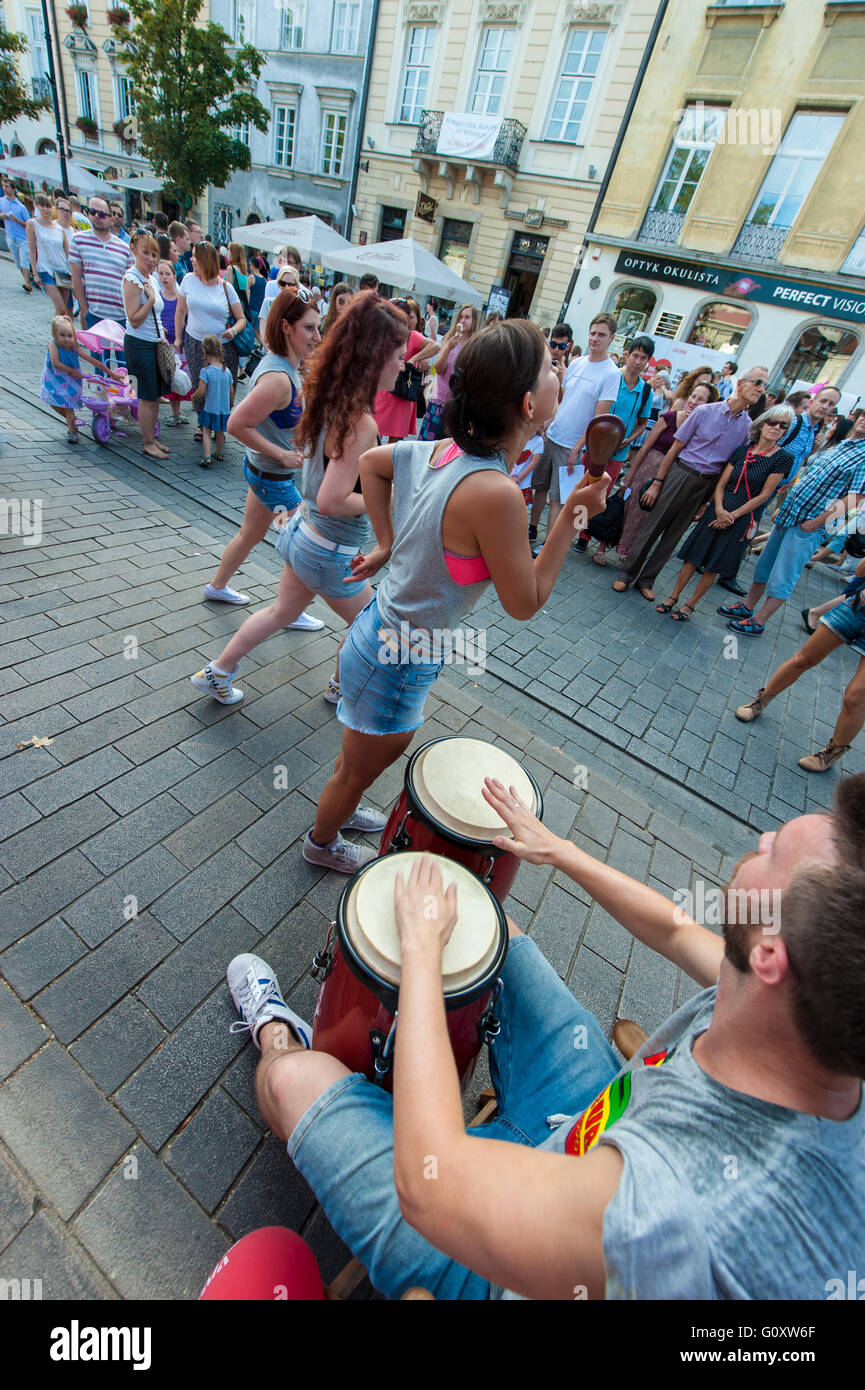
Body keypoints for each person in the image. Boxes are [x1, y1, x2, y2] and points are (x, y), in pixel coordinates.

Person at [226, 764, 865, 1301]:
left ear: (771, 959)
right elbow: (674, 929)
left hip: (507, 1260)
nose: (763, 836)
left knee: (292, 1080)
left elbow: (433, 1184)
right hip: (592, 1121)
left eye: (775, 853)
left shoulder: (685, 1213)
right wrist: (557, 848)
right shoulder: (807, 1010)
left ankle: (278, 1033)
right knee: (499, 941)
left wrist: (422, 950)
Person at [301, 319, 609, 873]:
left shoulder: (449, 450)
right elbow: (525, 602)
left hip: (377, 634)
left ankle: (344, 805)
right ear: (527, 404)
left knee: (355, 763)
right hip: (397, 659)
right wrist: (571, 515)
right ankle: (320, 842)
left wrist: (388, 545)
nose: (559, 374)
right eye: (549, 368)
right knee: (352, 773)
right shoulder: (496, 492)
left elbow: (373, 467)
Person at [191, 295, 411, 718]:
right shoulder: (360, 421)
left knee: (281, 612)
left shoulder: (329, 395)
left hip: (304, 536)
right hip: (329, 550)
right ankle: (338, 687)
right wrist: (381, 498)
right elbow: (332, 498)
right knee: (371, 623)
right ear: (374, 358)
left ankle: (217, 671)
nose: (403, 365)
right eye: (398, 356)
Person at [198, 283, 322, 632]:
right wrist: (282, 453)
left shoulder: (284, 366)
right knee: (300, 545)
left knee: (251, 535)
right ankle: (290, 611)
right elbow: (236, 423)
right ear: (287, 327)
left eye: (317, 327)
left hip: (263, 474)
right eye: (309, 328)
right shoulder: (279, 377)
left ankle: (217, 587)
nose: (317, 336)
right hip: (274, 481)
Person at [612, 366, 768, 603]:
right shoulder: (705, 411)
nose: (761, 389)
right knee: (652, 525)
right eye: (757, 382)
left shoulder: (747, 427)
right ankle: (627, 573)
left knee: (674, 535)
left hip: (706, 483)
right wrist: (657, 483)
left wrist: (707, 501)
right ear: (740, 384)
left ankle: (647, 580)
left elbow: (728, 467)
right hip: (680, 472)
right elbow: (675, 449)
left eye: (764, 385)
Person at [723, 410, 865, 636]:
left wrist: (818, 522)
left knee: (783, 575)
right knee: (764, 566)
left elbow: (855, 498)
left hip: (810, 524)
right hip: (792, 515)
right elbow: (809, 476)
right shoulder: (843, 445)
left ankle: (759, 621)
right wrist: (785, 504)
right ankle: (747, 607)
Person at [654, 406, 793, 622]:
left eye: (783, 425)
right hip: (719, 508)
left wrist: (732, 516)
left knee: (714, 564)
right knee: (693, 556)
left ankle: (690, 604)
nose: (777, 427)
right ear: (762, 423)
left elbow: (765, 495)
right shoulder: (742, 451)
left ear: (786, 431)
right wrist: (718, 509)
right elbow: (721, 483)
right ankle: (673, 596)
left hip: (742, 516)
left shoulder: (783, 458)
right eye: (773, 422)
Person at [735, 579, 865, 773]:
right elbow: (860, 570)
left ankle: (833, 751)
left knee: (855, 697)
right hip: (859, 607)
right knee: (803, 659)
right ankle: (760, 701)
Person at [528, 313, 620, 545]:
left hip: (571, 445)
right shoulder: (577, 363)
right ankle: (531, 530)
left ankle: (548, 546)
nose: (595, 339)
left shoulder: (611, 373)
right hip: (552, 435)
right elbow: (564, 402)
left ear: (612, 338)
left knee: (559, 499)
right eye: (592, 333)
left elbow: (598, 421)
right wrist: (546, 424)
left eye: (601, 334)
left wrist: (577, 449)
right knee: (539, 487)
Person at [615, 381, 717, 562]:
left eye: (700, 399)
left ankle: (634, 550)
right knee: (632, 508)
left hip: (673, 476)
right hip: (649, 467)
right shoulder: (669, 418)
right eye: (693, 396)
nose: (693, 401)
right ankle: (620, 545)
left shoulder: (703, 430)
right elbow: (645, 447)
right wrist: (629, 476)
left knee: (651, 515)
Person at [584, 336, 654, 564]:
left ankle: (586, 535)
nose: (637, 361)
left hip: (618, 451)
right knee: (582, 488)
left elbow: (643, 423)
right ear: (627, 354)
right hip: (594, 444)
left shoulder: (645, 390)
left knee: (600, 494)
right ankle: (576, 529)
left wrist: (629, 439)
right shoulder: (612, 377)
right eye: (635, 355)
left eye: (643, 358)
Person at [174, 240, 245, 410]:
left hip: (223, 348)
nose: (191, 260)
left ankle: (219, 425)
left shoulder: (226, 287)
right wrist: (178, 338)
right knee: (201, 386)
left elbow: (241, 319)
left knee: (223, 389)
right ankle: (203, 424)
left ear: (204, 260)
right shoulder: (188, 280)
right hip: (196, 344)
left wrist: (233, 331)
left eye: (194, 257)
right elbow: (180, 311)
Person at [122, 229, 171, 460]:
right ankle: (147, 441)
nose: (151, 259)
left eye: (154, 254)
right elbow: (133, 318)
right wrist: (150, 299)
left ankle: (152, 437)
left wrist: (163, 333)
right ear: (134, 251)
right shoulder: (132, 278)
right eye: (146, 253)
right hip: (139, 344)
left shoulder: (150, 278)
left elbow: (156, 315)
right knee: (147, 396)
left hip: (154, 342)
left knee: (156, 396)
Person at [69, 196, 133, 366]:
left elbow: (131, 282)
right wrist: (84, 308)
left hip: (120, 314)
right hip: (95, 312)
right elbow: (75, 276)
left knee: (123, 364)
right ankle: (102, 393)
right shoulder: (79, 240)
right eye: (92, 212)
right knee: (99, 364)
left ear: (111, 218)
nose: (97, 216)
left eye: (102, 214)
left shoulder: (124, 248)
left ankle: (121, 393)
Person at [40, 313, 122, 443]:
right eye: (62, 335)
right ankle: (72, 421)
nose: (67, 339)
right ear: (55, 334)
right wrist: (72, 370)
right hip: (54, 379)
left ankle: (72, 431)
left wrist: (111, 373)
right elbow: (55, 363)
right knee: (52, 402)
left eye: (70, 336)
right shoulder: (53, 345)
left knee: (68, 407)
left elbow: (92, 360)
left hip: (71, 381)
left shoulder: (74, 347)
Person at [374, 299, 439, 443]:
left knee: (393, 445)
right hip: (385, 391)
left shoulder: (413, 336)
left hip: (404, 392)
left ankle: (385, 466)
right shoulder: (385, 334)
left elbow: (435, 346)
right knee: (373, 435)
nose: (405, 320)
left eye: (409, 316)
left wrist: (414, 359)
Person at [417, 304, 480, 442]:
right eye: (461, 317)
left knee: (446, 447)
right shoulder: (449, 339)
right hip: (439, 399)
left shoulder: (476, 346)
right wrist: (448, 348)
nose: (463, 320)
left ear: (474, 321)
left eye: (467, 317)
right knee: (428, 444)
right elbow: (439, 369)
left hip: (458, 405)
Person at [192, 334, 233, 468]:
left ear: (205, 351)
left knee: (206, 432)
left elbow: (201, 391)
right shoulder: (226, 371)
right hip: (223, 409)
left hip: (210, 408)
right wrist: (231, 403)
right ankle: (219, 452)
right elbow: (231, 391)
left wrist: (193, 397)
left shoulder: (206, 371)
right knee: (220, 432)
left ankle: (207, 456)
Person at [26, 194, 71, 314]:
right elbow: (31, 248)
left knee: (63, 311)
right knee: (60, 308)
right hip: (46, 269)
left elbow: (67, 252)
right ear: (37, 206)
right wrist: (35, 273)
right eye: (42, 206)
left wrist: (72, 271)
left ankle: (58, 332)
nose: (46, 209)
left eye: (48, 206)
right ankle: (57, 331)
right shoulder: (32, 224)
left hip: (62, 270)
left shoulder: (59, 228)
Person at [1, 177, 33, 290]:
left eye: (7, 186)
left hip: (23, 238)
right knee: (19, 262)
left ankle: (27, 283)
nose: (4, 189)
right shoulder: (2, 201)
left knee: (24, 261)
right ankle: (26, 280)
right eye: (3, 186)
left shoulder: (21, 207)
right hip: (10, 236)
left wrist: (16, 220)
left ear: (13, 189)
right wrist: (3, 216)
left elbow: (28, 224)